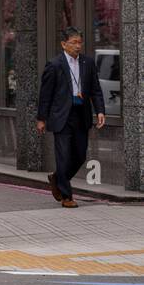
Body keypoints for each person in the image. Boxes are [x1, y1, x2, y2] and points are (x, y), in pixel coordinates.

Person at [37, 27, 106, 209]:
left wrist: (100, 111)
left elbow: (96, 89)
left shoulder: (87, 63)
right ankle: (67, 196)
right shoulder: (55, 65)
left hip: (81, 114)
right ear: (64, 44)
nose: (78, 46)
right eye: (74, 42)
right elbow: (45, 95)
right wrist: (41, 118)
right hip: (62, 116)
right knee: (64, 155)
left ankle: (58, 177)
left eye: (79, 42)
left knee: (80, 155)